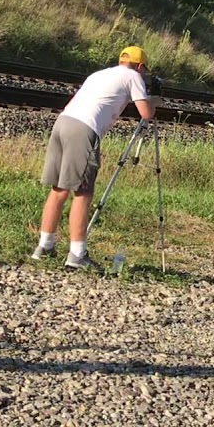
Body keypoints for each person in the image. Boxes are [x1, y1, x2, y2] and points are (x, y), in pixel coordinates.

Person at [31, 46, 156, 269]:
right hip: (84, 129)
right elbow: (146, 114)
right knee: (83, 192)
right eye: (144, 71)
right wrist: (154, 101)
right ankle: (77, 255)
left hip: (63, 122)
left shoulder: (99, 74)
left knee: (59, 188)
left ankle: (44, 246)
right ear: (139, 67)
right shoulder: (133, 77)